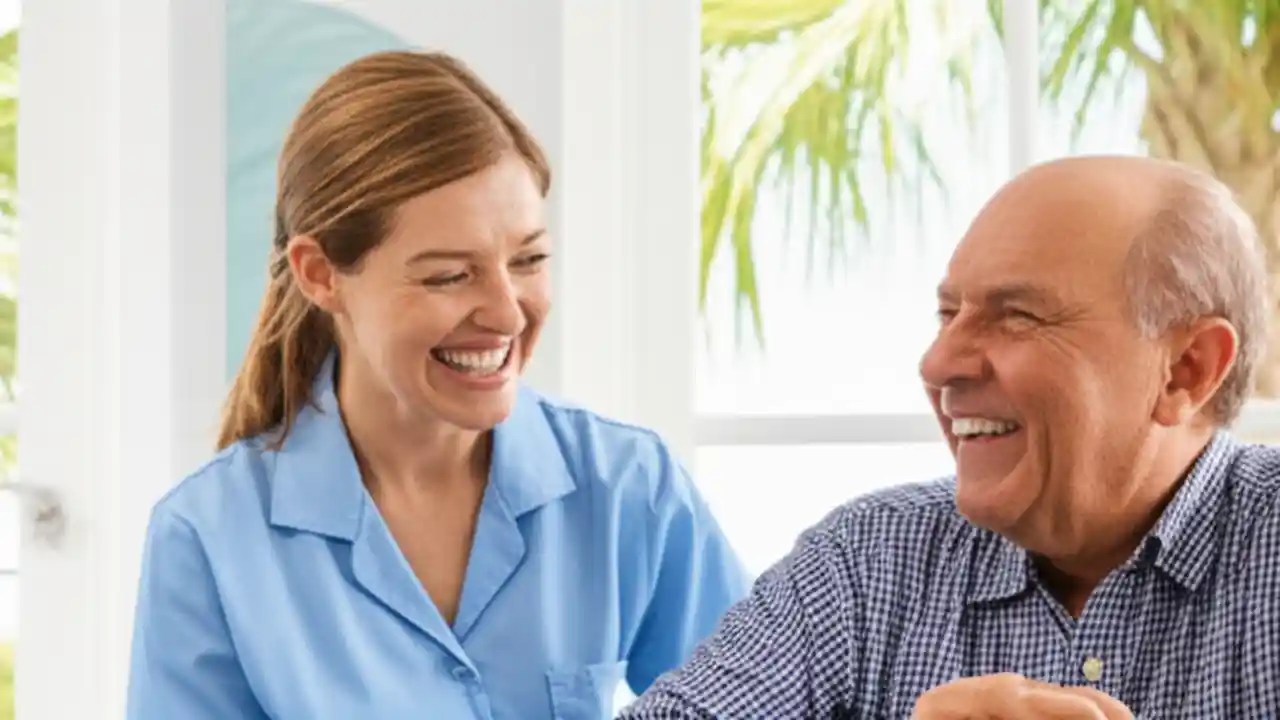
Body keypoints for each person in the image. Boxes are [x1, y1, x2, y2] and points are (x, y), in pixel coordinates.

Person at [125, 50, 749, 720]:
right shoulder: (208, 537)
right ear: (320, 273)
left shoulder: (630, 488)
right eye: (450, 275)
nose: (508, 313)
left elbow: (762, 699)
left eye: (529, 260)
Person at [620, 156, 1280, 719]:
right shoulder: (865, 562)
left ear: (1186, 369)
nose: (938, 365)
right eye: (948, 314)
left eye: (1017, 316)